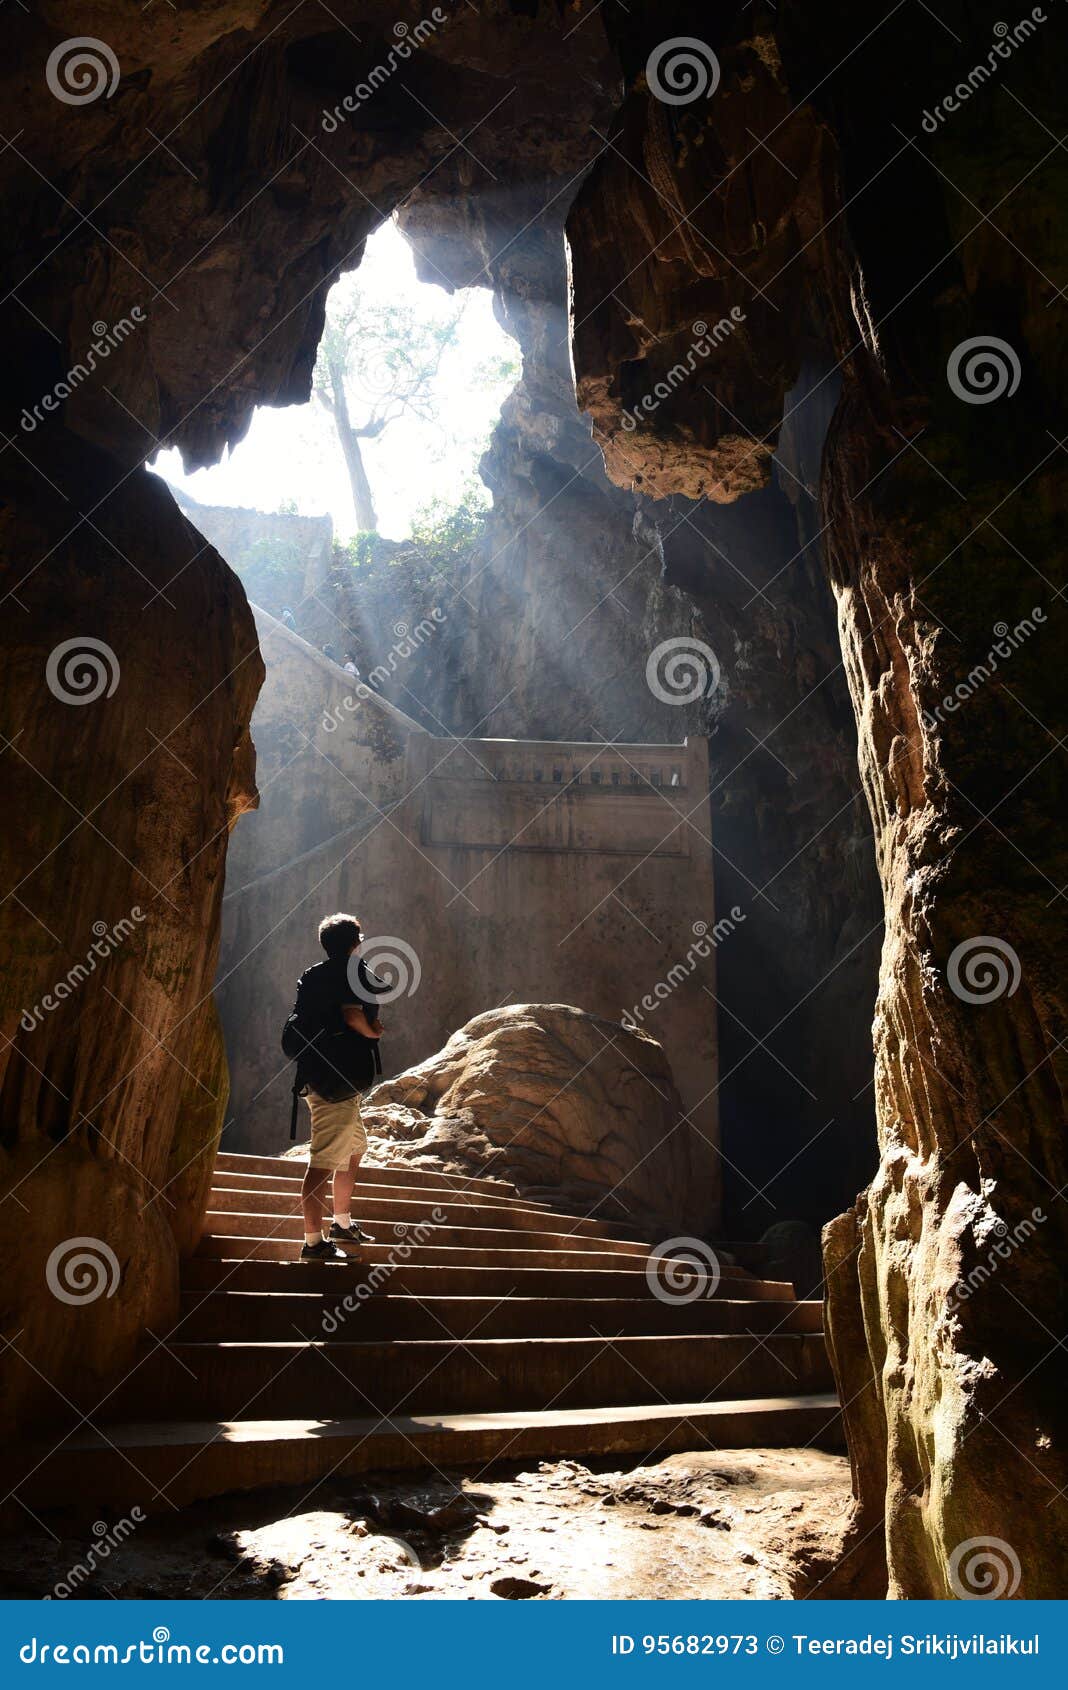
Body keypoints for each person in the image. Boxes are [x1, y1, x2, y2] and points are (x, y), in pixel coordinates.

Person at [288, 912, 385, 1261]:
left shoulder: (314, 975)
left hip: (324, 1076)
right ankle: (313, 1243)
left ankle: (341, 1223)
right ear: (355, 942)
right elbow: (351, 1015)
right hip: (334, 1084)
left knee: (354, 1148)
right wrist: (373, 1032)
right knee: (324, 1162)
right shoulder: (348, 973)